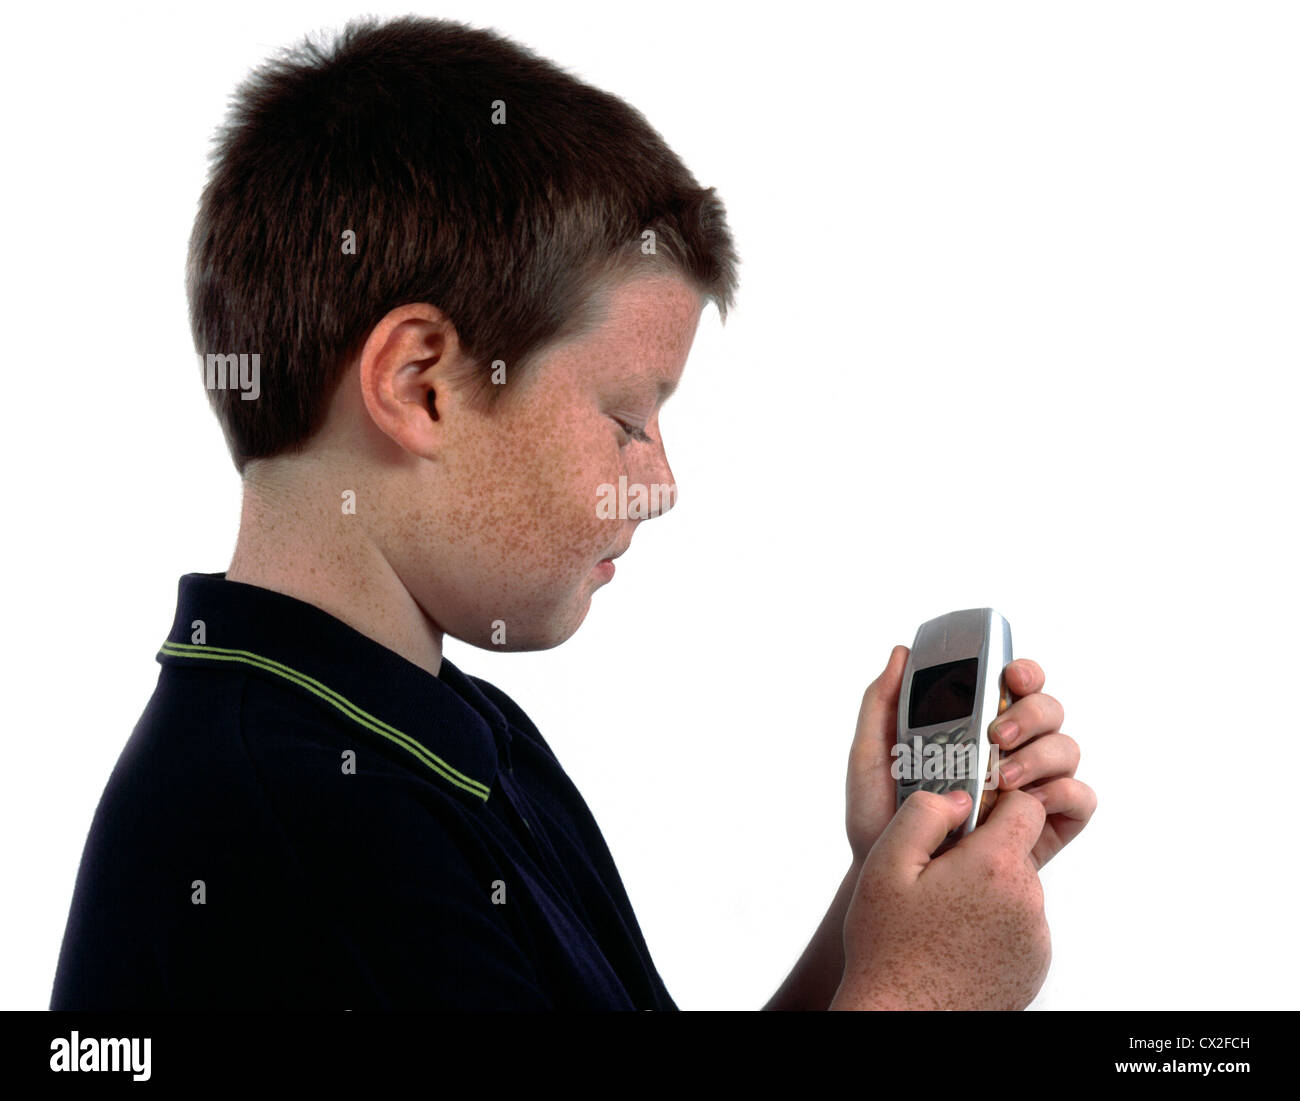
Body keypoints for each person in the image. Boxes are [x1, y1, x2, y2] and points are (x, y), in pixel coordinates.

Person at [50, 15, 1094, 1011]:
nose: (662, 482)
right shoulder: (300, 834)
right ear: (422, 386)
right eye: (626, 418)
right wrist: (923, 995)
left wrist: (877, 911)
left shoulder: (452, 734)